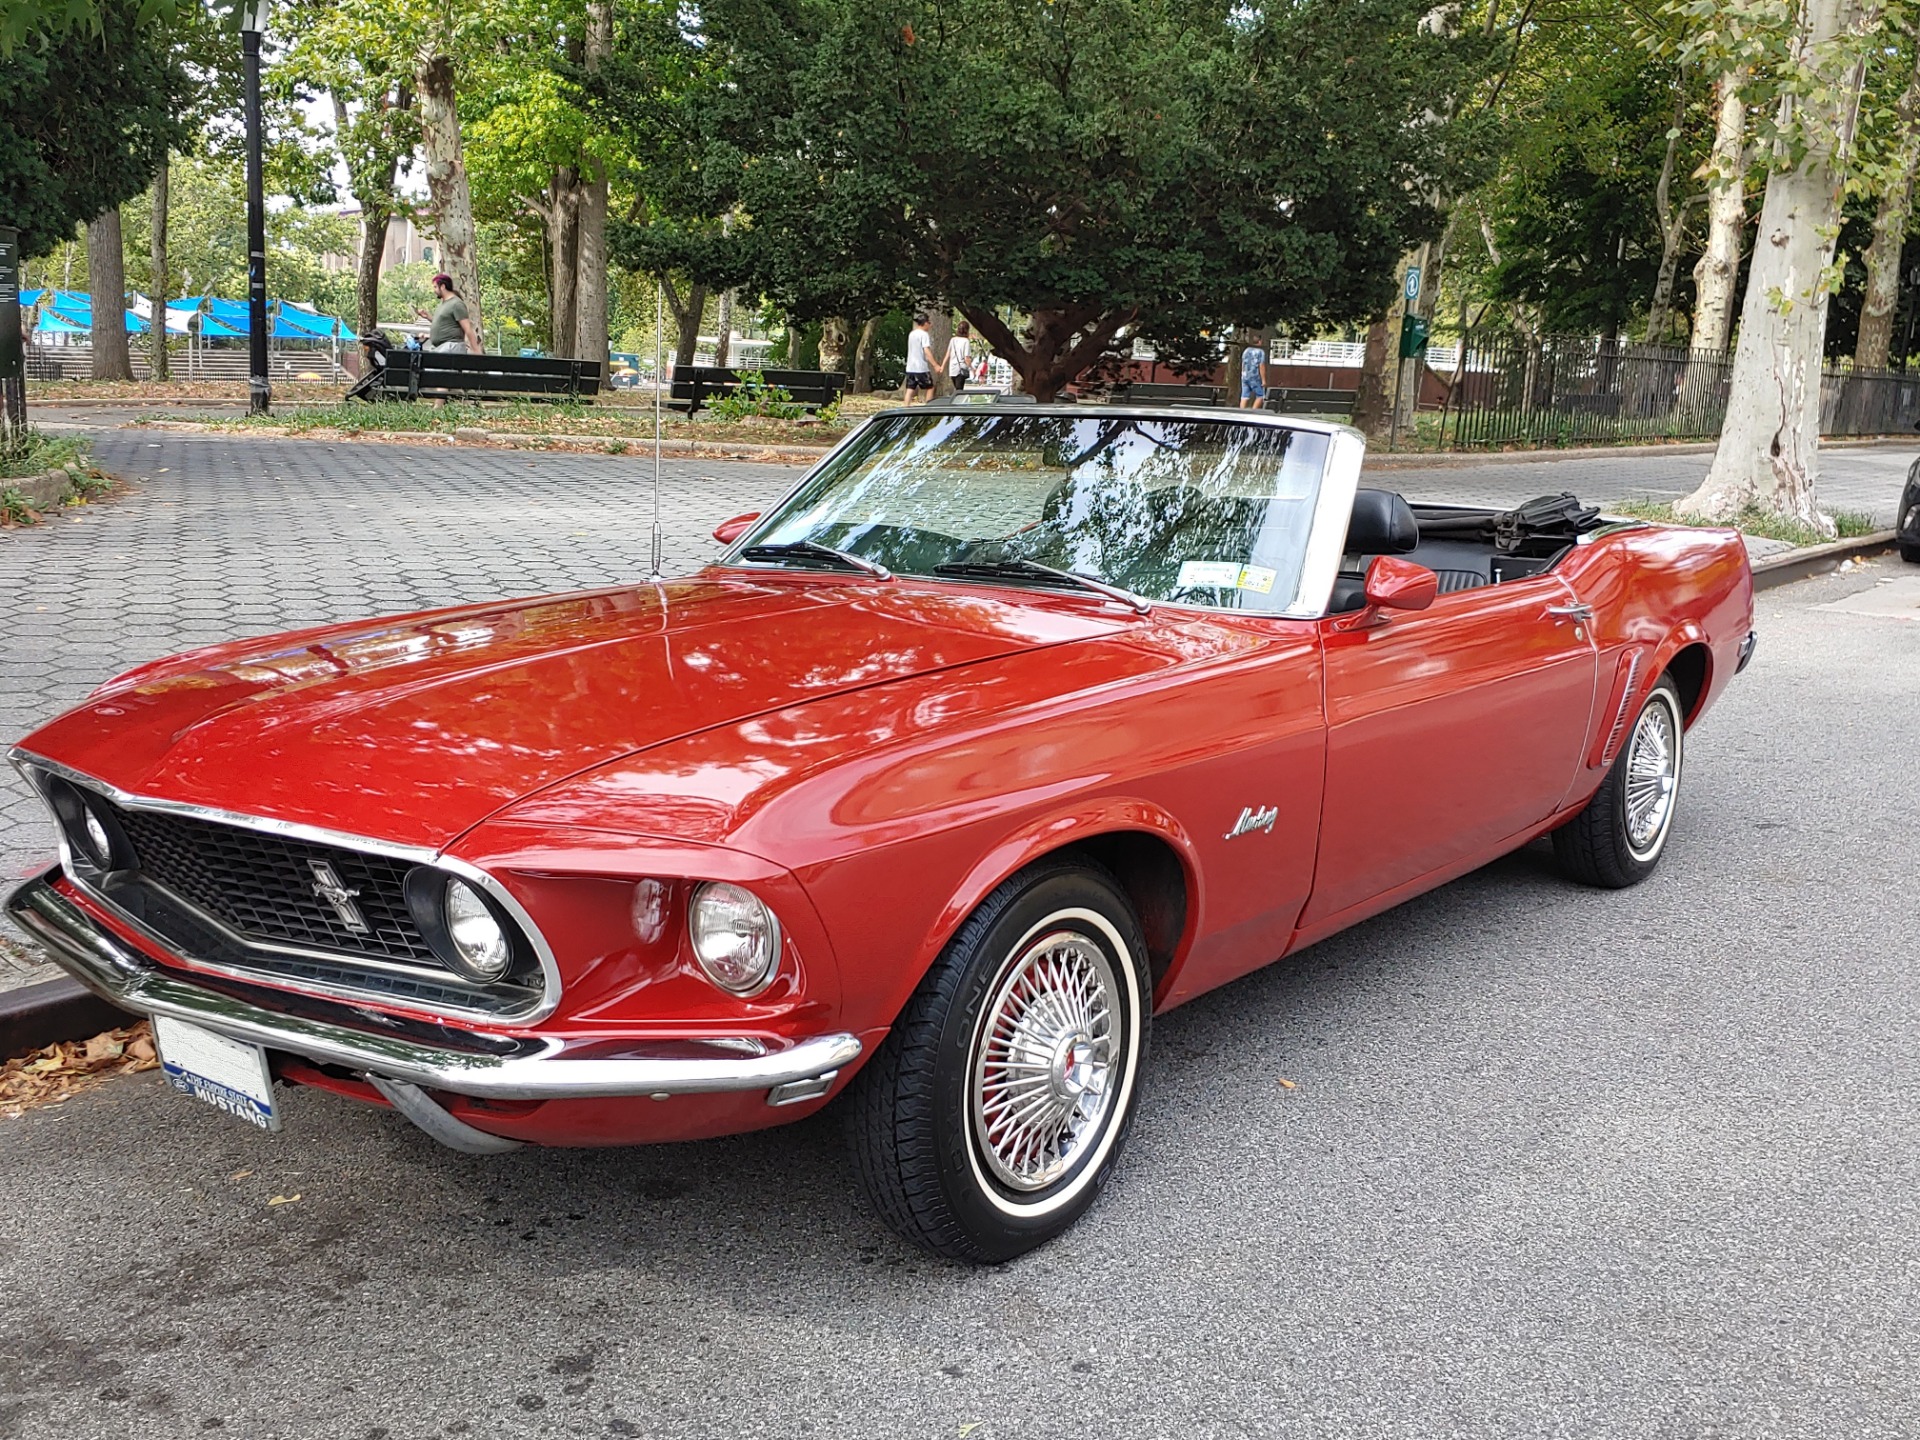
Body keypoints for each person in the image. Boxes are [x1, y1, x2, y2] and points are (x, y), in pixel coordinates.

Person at [416, 274, 479, 354]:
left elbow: (467, 328)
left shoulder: (456, 304)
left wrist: (477, 352)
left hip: (451, 347)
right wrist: (428, 317)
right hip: (440, 348)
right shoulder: (443, 304)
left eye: (435, 287)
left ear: (442, 286)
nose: (434, 290)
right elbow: (445, 323)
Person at [901, 313, 935, 403]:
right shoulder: (924, 334)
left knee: (910, 389)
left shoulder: (912, 334)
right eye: (929, 323)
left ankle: (906, 408)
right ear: (925, 323)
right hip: (921, 368)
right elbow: (926, 350)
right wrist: (935, 365)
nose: (930, 325)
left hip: (910, 367)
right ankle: (928, 409)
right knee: (930, 387)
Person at [940, 321, 973, 393]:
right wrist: (972, 368)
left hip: (952, 369)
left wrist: (942, 366)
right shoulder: (966, 341)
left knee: (957, 388)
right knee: (959, 390)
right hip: (961, 368)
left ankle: (956, 402)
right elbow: (966, 358)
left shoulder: (953, 340)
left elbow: (947, 354)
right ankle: (957, 403)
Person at [1239, 333, 1268, 409]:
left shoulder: (1246, 351)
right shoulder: (1260, 352)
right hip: (1255, 376)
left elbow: (1243, 363)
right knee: (1260, 396)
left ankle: (1241, 412)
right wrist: (1264, 380)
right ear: (1260, 341)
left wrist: (1243, 374)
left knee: (1244, 396)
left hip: (1245, 376)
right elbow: (1261, 366)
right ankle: (1253, 411)